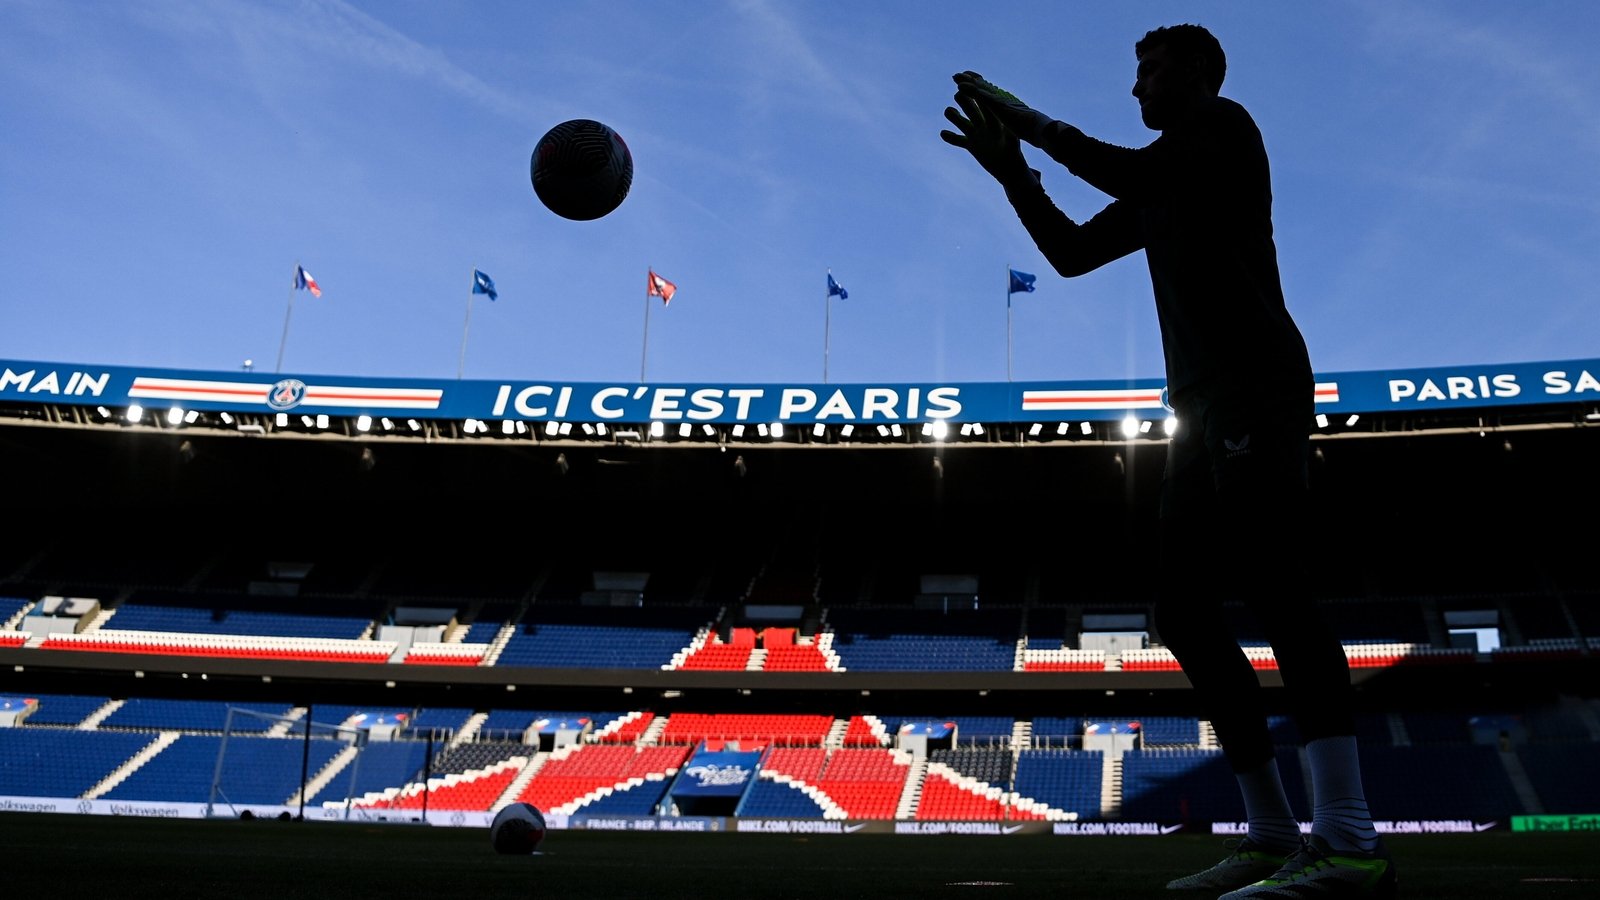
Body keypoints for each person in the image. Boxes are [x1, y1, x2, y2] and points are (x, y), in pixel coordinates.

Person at [941, 24, 1395, 899]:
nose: (1137, 86)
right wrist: (1012, 176)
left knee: (1275, 588)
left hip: (1258, 386)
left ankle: (1348, 844)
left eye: (1150, 70)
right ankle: (1269, 833)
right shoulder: (1158, 184)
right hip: (1198, 408)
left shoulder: (1226, 132)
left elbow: (1122, 170)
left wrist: (1025, 119)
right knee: (1183, 613)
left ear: (1198, 74)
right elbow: (1071, 255)